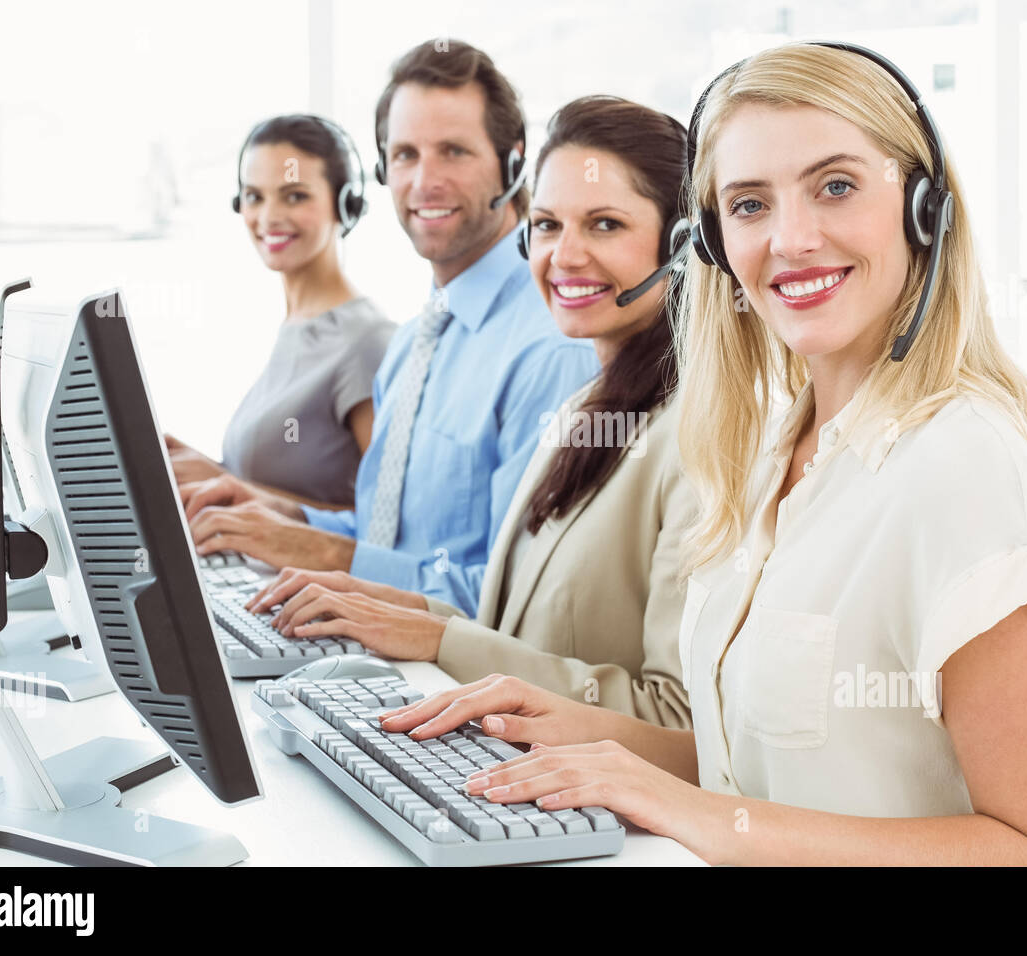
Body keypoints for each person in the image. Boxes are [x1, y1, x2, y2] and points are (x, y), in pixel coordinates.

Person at [375, 42, 1027, 866]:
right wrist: (577, 727)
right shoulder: (765, 454)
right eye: (751, 204)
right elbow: (757, 775)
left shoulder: (961, 473)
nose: (791, 239)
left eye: (835, 186)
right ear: (717, 245)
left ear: (923, 211)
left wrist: (686, 812)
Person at [243, 96, 697, 727]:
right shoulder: (585, 406)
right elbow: (513, 625)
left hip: (601, 806)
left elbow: (681, 722)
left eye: (605, 225)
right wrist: (376, 602)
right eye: (546, 225)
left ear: (682, 244)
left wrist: (438, 639)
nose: (563, 257)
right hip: (516, 766)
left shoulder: (695, 440)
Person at [180, 40, 600, 616]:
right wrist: (280, 514)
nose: (424, 181)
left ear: (512, 163)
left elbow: (515, 597)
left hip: (449, 677)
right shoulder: (415, 340)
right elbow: (391, 538)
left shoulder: (549, 347)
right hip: (372, 648)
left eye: (453, 151)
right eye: (404, 155)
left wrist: (324, 554)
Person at [166, 114, 394, 509]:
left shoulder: (367, 342)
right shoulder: (297, 326)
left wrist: (226, 485)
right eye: (255, 196)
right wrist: (204, 471)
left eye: (294, 195)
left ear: (346, 204)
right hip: (251, 567)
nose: (269, 216)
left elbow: (386, 530)